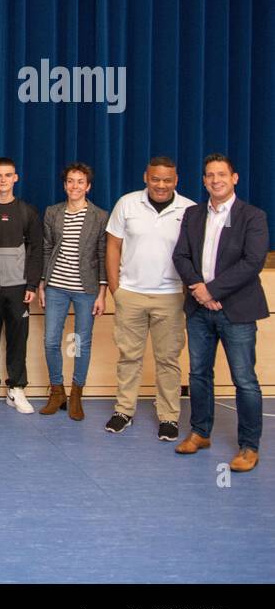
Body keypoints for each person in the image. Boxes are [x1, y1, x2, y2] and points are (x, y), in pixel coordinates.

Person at [172, 154, 268, 472]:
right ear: (203, 181)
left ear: (234, 178)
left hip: (236, 310)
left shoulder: (252, 216)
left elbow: (252, 262)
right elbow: (181, 255)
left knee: (245, 380)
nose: (216, 180)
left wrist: (212, 291)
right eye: (210, 175)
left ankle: (248, 447)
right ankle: (200, 432)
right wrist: (199, 288)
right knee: (199, 374)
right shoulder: (193, 214)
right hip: (199, 310)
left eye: (222, 174)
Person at [103, 157, 195, 440]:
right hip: (130, 294)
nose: (161, 185)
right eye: (156, 179)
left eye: (167, 180)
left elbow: (195, 254)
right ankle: (124, 411)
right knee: (129, 356)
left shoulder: (190, 209)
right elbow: (113, 246)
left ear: (176, 180)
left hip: (170, 297)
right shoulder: (127, 204)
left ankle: (169, 417)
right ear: (146, 177)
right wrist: (117, 289)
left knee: (168, 359)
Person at [38, 162, 109, 421]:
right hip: (56, 286)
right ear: (64, 184)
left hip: (86, 289)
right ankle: (57, 391)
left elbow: (103, 255)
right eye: (70, 181)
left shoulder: (100, 216)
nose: (75, 186)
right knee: (51, 341)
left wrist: (102, 292)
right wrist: (43, 283)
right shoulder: (53, 212)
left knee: (80, 343)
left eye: (80, 181)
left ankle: (77, 393)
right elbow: (47, 248)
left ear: (88, 186)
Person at [0, 157, 43, 413]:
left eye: (8, 175)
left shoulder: (28, 212)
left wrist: (32, 284)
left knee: (18, 339)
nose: (3, 180)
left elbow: (37, 251)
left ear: (16, 178)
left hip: (18, 287)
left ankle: (16, 388)